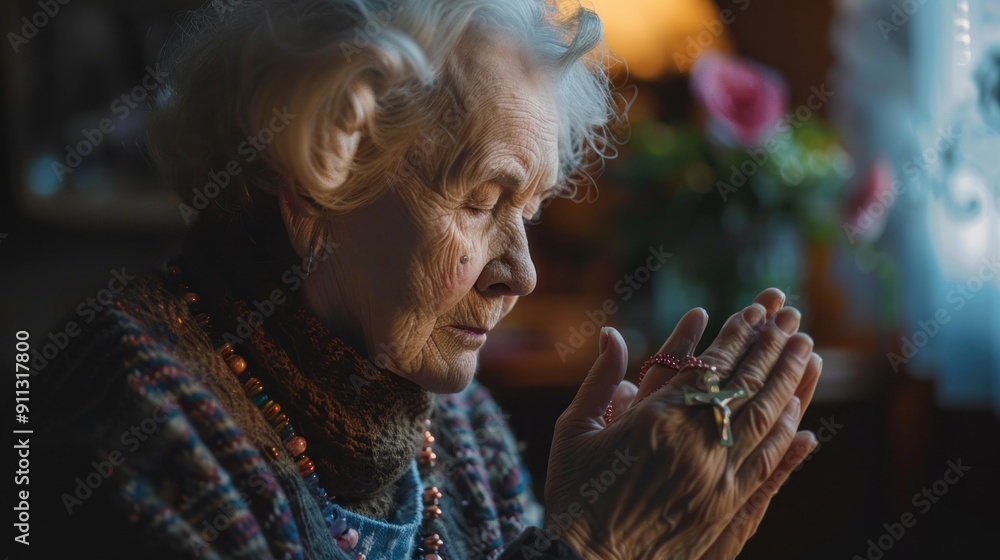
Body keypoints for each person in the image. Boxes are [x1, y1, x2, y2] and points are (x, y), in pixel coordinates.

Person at [34, 0, 823, 558]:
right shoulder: (127, 411)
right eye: (481, 201)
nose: (521, 273)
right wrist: (591, 545)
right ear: (314, 188)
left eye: (529, 211)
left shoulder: (460, 427)